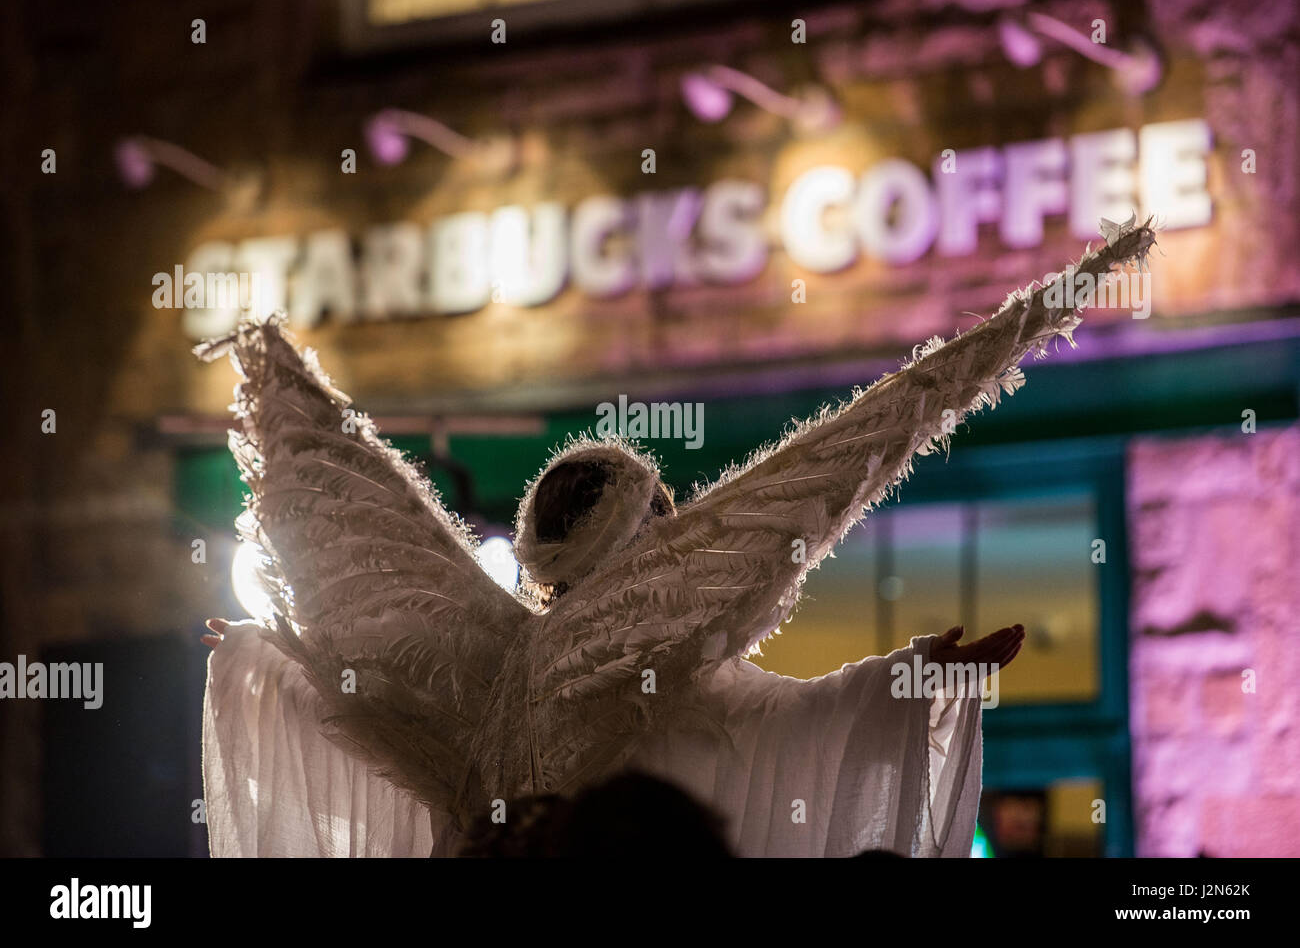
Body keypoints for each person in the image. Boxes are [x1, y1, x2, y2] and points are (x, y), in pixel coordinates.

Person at [199, 218, 1155, 858]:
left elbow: (795, 719)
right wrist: (259, 657)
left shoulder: (585, 667)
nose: (664, 537)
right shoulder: (523, 662)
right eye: (651, 520)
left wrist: (914, 675)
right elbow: (351, 689)